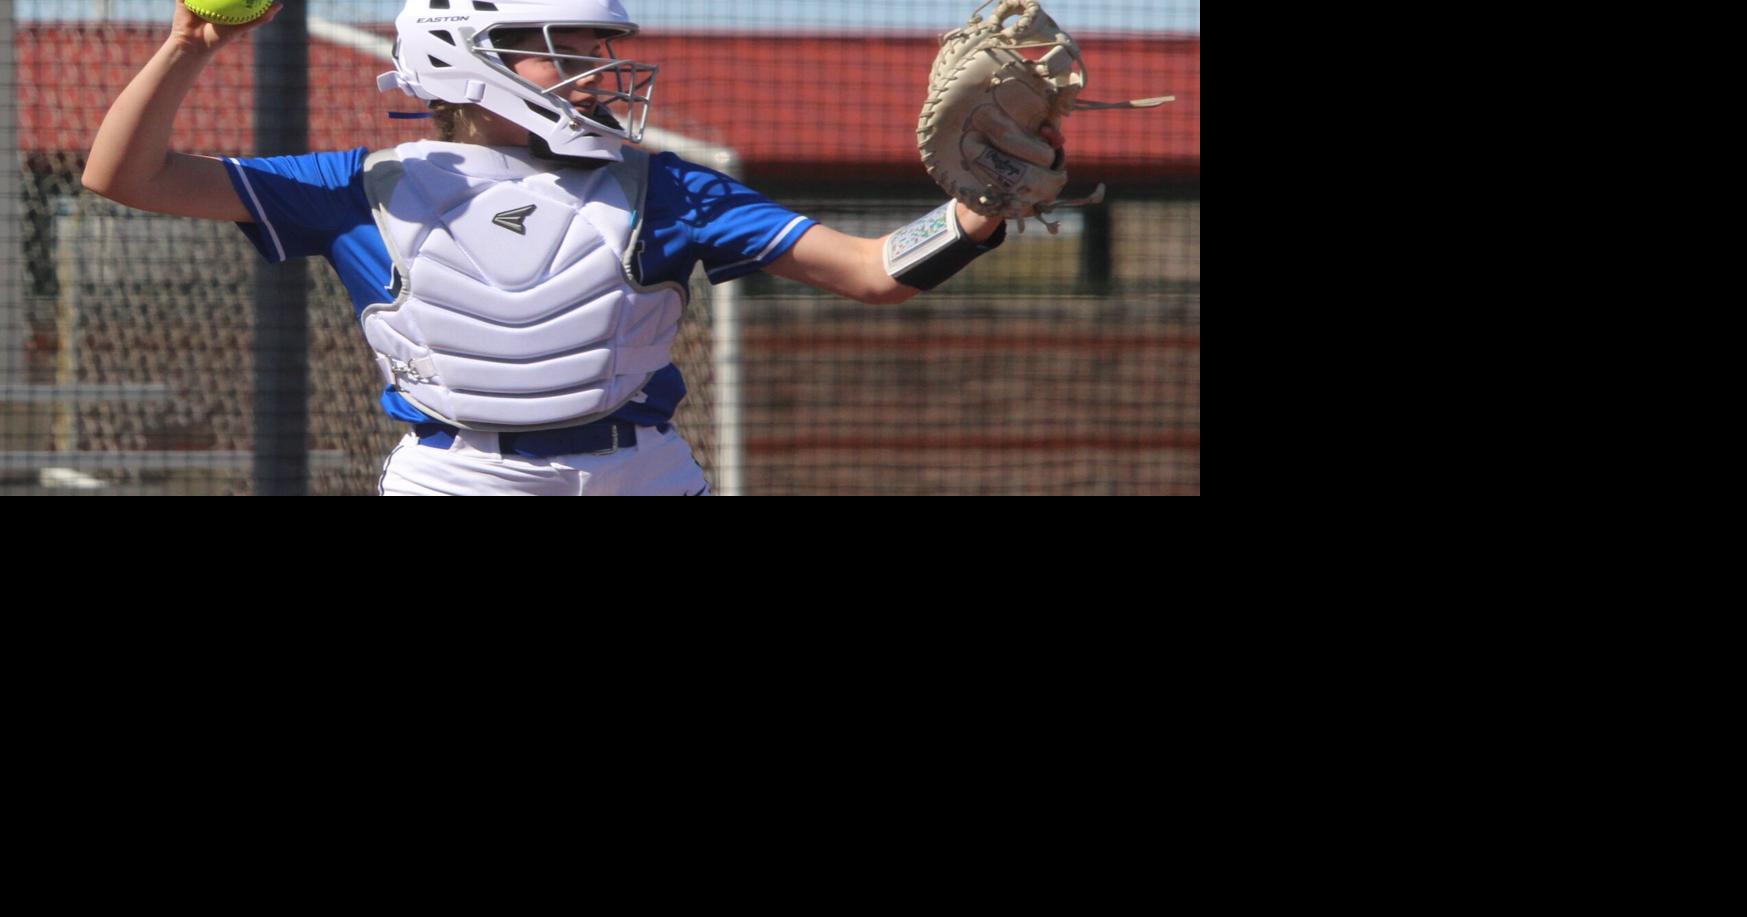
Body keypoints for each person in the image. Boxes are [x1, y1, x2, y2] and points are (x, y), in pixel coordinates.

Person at [82, 0, 1065, 495]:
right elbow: (127, 175)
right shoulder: (365, 183)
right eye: (568, 49)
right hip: (456, 476)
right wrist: (191, 45)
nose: (599, 73)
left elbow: (869, 272)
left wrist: (978, 212)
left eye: (599, 50)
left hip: (636, 473)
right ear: (465, 53)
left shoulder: (661, 183)